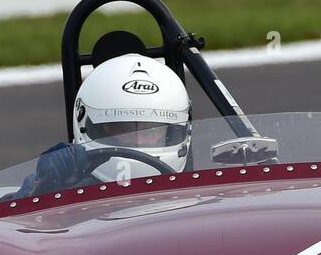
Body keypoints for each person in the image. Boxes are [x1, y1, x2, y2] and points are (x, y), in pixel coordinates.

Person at [17, 54, 192, 197]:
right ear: (89, 124)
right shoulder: (69, 188)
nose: (139, 139)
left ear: (177, 130)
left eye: (152, 129)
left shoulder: (200, 190)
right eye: (125, 129)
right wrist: (42, 186)